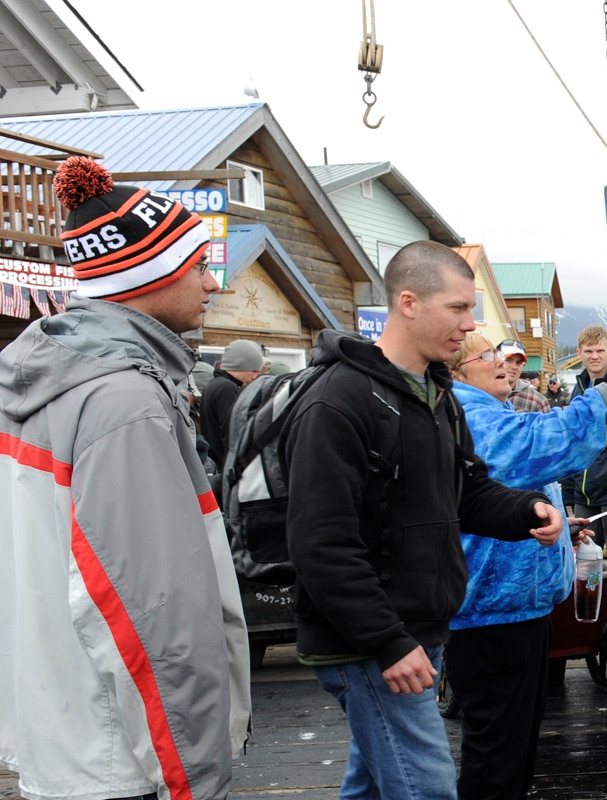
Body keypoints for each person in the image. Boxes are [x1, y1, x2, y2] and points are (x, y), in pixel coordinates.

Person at [0, 156, 251, 800]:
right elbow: (149, 608)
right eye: (198, 264)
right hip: (126, 759)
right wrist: (194, 775)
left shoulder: (41, 381)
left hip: (65, 740)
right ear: (151, 272)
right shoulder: (122, 402)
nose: (211, 283)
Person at [281, 240, 564, 800]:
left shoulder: (436, 394)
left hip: (421, 628)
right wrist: (388, 642)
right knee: (425, 787)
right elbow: (321, 543)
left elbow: (466, 491)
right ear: (408, 302)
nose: (471, 324)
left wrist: (524, 509)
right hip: (370, 643)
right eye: (458, 308)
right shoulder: (337, 401)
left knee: (371, 783)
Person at [445, 331, 607, 800]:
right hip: (490, 611)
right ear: (458, 370)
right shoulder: (469, 415)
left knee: (516, 744)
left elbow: (507, 493)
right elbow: (538, 444)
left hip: (518, 607)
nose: (503, 364)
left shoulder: (488, 410)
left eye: (505, 356)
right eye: (488, 356)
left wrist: (563, 525)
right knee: (495, 752)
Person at [563, 325, 607, 557]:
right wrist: (568, 491)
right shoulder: (579, 388)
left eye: (599, 351)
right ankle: (595, 596)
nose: (594, 356)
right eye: (588, 351)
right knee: (584, 560)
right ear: (579, 353)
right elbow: (571, 442)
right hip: (583, 493)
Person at [199, 338, 265, 469]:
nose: (254, 377)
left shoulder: (214, 384)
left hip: (216, 464)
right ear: (240, 365)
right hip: (225, 465)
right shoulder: (227, 388)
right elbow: (232, 433)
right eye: (253, 371)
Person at [498, 338, 550, 412]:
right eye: (508, 360)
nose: (514, 367)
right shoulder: (481, 395)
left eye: (518, 362)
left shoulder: (538, 402)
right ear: (496, 360)